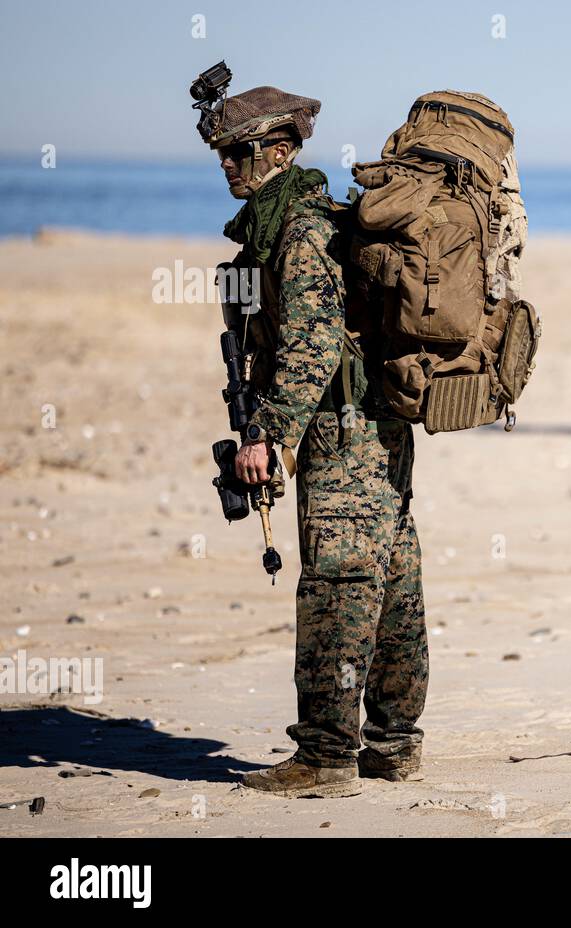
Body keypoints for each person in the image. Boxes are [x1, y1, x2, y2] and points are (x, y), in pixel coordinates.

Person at [199, 82, 428, 797]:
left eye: (240, 152)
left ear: (280, 150)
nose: (229, 167)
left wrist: (271, 434)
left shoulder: (299, 230)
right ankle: (392, 744)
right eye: (222, 155)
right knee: (392, 579)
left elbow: (312, 337)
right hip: (375, 425)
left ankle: (327, 756)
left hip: (343, 428)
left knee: (338, 584)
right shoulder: (298, 223)